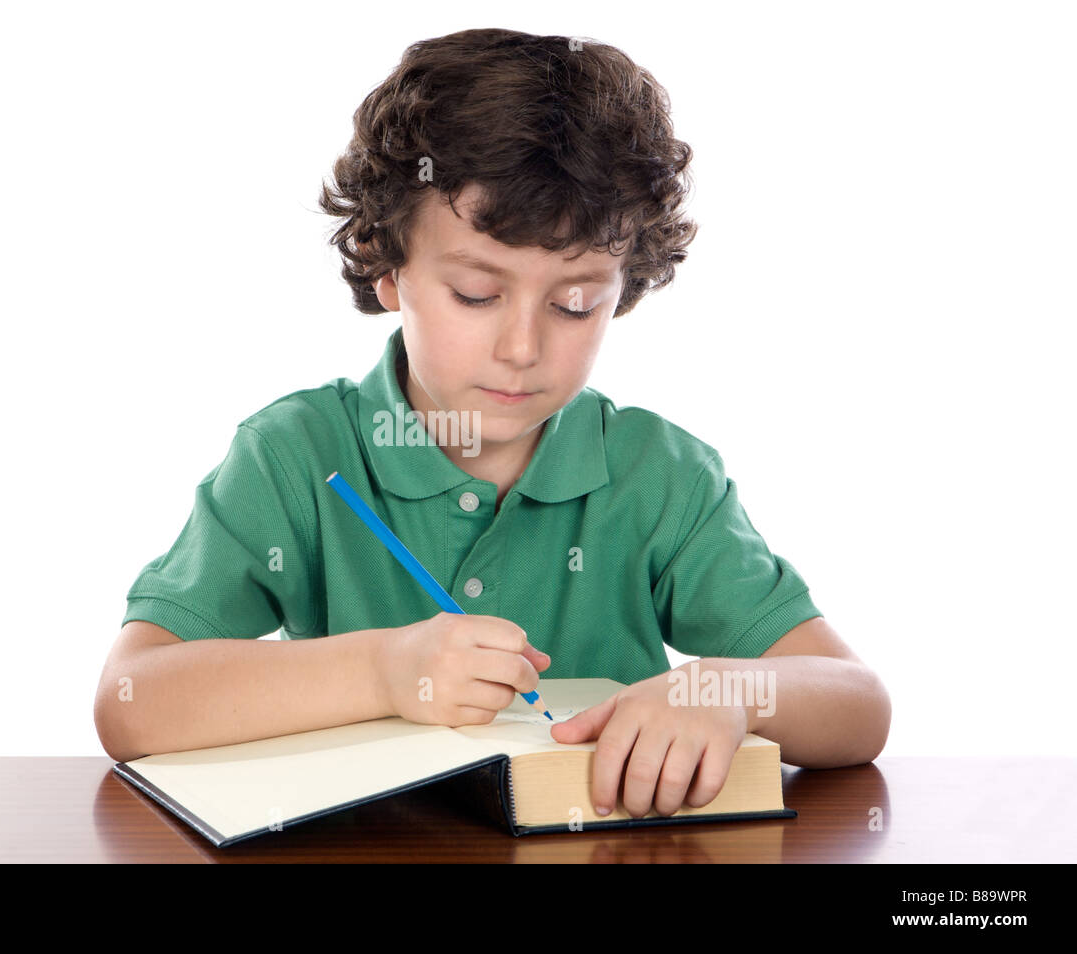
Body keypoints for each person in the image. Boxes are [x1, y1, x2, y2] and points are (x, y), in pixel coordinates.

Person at [94, 28, 890, 820]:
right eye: (477, 294)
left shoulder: (661, 476)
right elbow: (133, 702)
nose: (523, 348)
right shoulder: (297, 455)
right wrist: (383, 671)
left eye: (576, 303)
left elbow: (857, 703)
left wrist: (719, 689)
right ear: (385, 264)